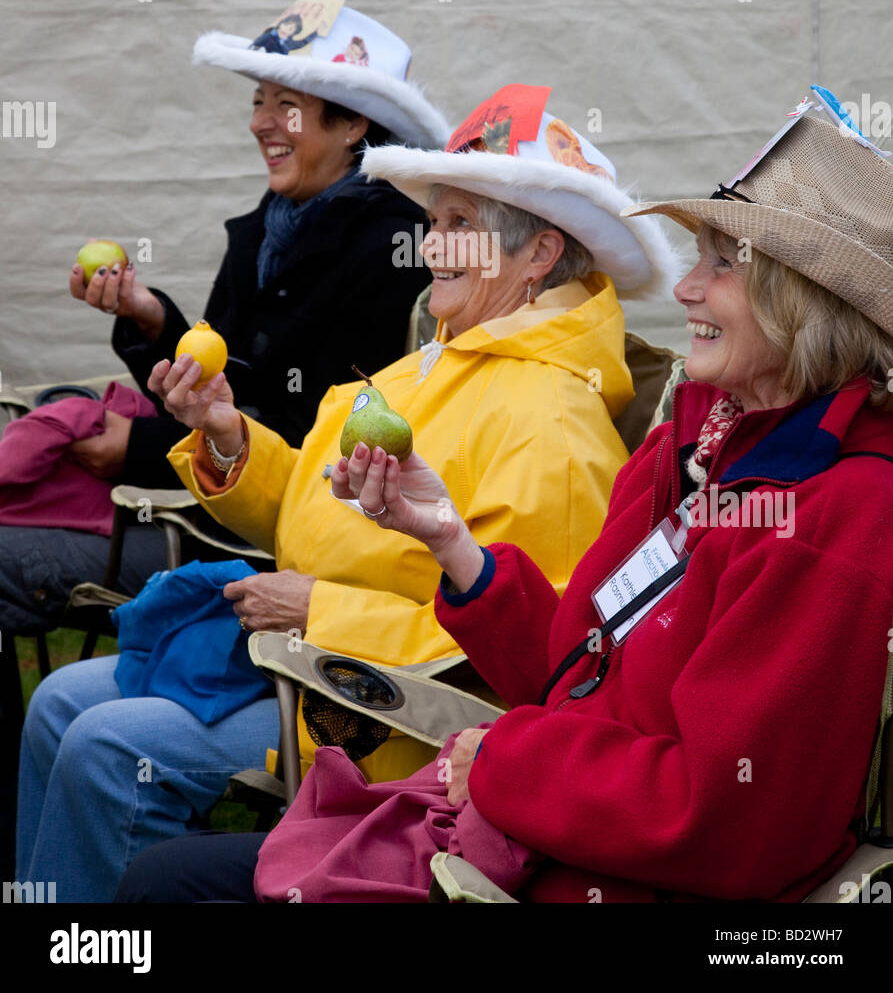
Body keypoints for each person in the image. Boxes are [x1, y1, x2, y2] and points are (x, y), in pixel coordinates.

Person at [117, 89, 893, 904]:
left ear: (801, 302)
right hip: (512, 826)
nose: (685, 290)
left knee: (162, 876)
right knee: (161, 875)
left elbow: (726, 817)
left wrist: (501, 761)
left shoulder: (824, 514)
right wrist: (452, 544)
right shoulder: (689, 450)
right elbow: (571, 666)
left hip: (568, 867)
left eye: (721, 265)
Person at [16, 82, 678, 901]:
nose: (429, 247)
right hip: (296, 663)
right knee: (56, 702)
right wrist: (226, 433)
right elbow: (318, 502)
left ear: (538, 255)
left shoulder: (549, 418)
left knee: (107, 744)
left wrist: (318, 610)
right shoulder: (443, 356)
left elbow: (540, 661)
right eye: (434, 223)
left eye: (458, 228)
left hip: (379, 716)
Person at [0, 0, 446, 876]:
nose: (262, 123)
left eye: (288, 104)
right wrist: (148, 317)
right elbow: (221, 383)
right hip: (235, 520)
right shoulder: (271, 229)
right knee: (57, 696)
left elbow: (312, 434)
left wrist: (138, 449)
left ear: (354, 123)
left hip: (253, 558)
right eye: (257, 101)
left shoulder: (391, 248)